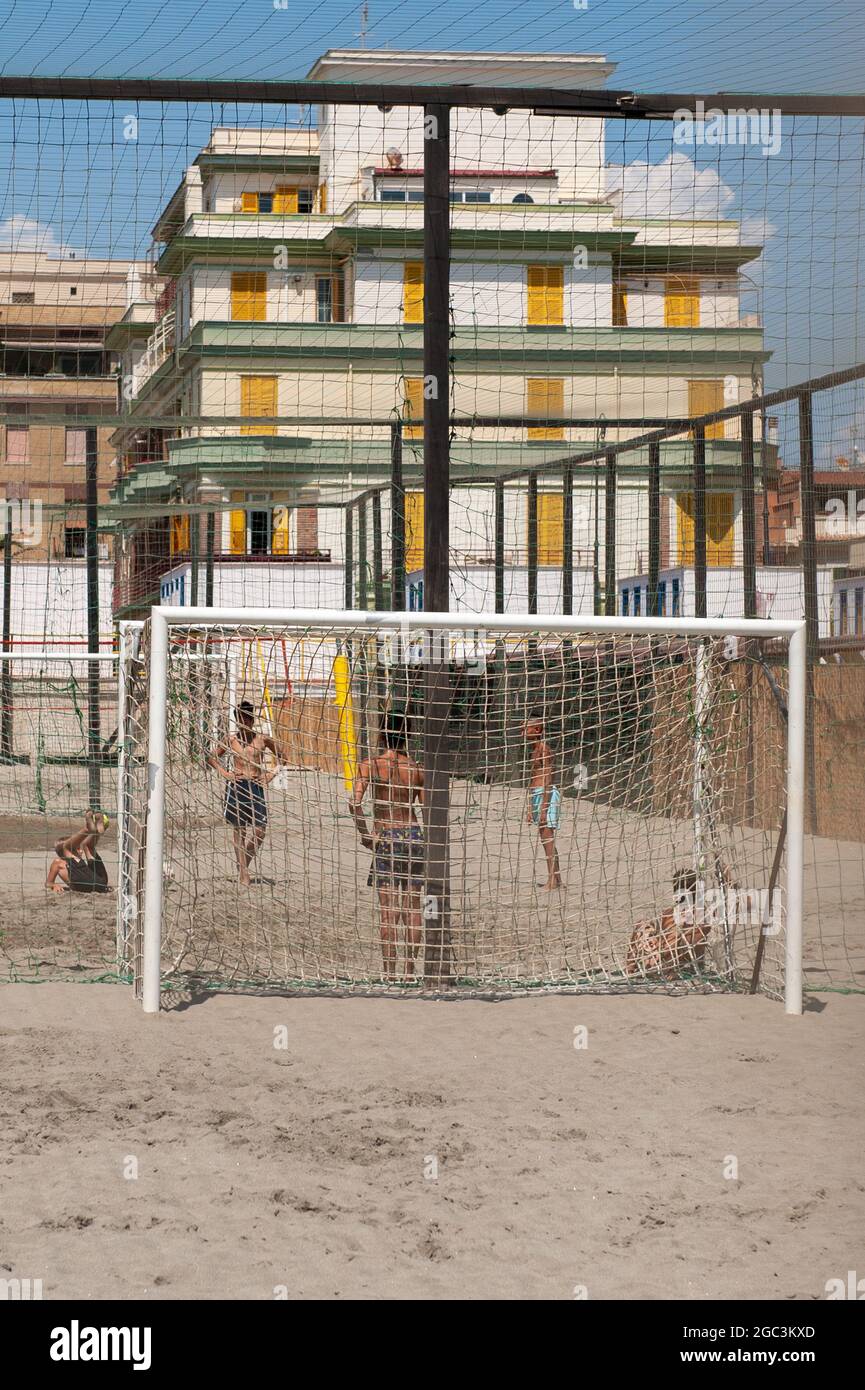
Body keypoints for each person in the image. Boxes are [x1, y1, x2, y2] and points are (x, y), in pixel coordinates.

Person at [350, 713, 425, 982]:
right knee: (414, 908)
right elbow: (428, 810)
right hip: (414, 836)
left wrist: (365, 834)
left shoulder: (370, 765)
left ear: (381, 735)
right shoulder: (416, 768)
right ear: (407, 736)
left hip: (387, 836)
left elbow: (354, 803)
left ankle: (389, 973)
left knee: (388, 910)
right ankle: (409, 971)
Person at [207, 701, 281, 886]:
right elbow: (211, 757)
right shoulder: (231, 740)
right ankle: (244, 874)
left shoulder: (263, 739)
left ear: (251, 720)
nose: (242, 723)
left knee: (259, 831)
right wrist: (225, 773)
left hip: (256, 786)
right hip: (237, 786)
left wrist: (271, 774)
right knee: (239, 829)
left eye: (245, 720)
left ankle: (243, 866)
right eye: (239, 720)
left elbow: (283, 757)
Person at [626, 870, 708, 977]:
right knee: (697, 938)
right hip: (668, 964)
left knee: (642, 925)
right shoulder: (701, 915)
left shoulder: (668, 913)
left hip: (654, 960)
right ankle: (693, 968)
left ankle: (630, 968)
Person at [523, 715, 563, 889]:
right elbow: (534, 779)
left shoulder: (544, 749)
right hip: (537, 795)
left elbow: (547, 780)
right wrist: (531, 807)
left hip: (546, 796)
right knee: (545, 839)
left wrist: (544, 809)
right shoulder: (534, 750)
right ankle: (557, 879)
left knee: (548, 840)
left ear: (537, 730)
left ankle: (553, 880)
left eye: (526, 728)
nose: (522, 731)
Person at [46, 810, 110, 893]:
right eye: (77, 848)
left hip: (98, 882)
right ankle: (89, 829)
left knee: (87, 846)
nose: (81, 851)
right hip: (100, 884)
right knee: (72, 846)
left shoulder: (80, 866)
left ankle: (96, 831)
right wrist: (54, 885)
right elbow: (48, 883)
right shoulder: (59, 862)